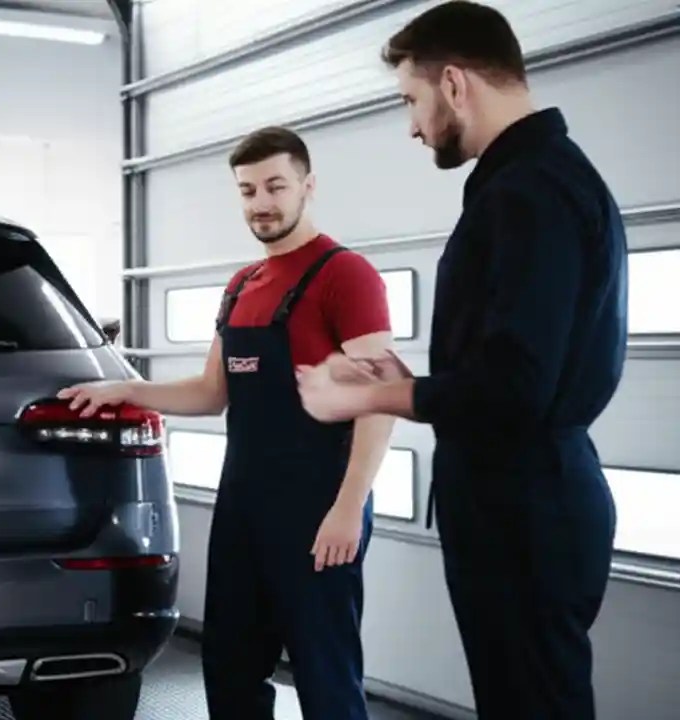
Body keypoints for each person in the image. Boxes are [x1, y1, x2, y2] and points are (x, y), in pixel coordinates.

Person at [296, 2, 626, 718]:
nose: (412, 125)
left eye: (410, 101)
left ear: (453, 84)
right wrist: (405, 383)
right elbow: (513, 367)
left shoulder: (528, 192)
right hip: (527, 499)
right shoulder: (535, 182)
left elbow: (514, 390)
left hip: (526, 509)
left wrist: (365, 401)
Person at [59, 126, 395, 719]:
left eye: (275, 186)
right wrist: (125, 389)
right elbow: (212, 392)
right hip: (244, 503)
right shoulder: (243, 285)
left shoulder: (346, 275)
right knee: (231, 662)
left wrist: (349, 507)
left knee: (325, 668)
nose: (261, 203)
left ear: (307, 186)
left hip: (320, 505)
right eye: (247, 191)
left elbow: (377, 398)